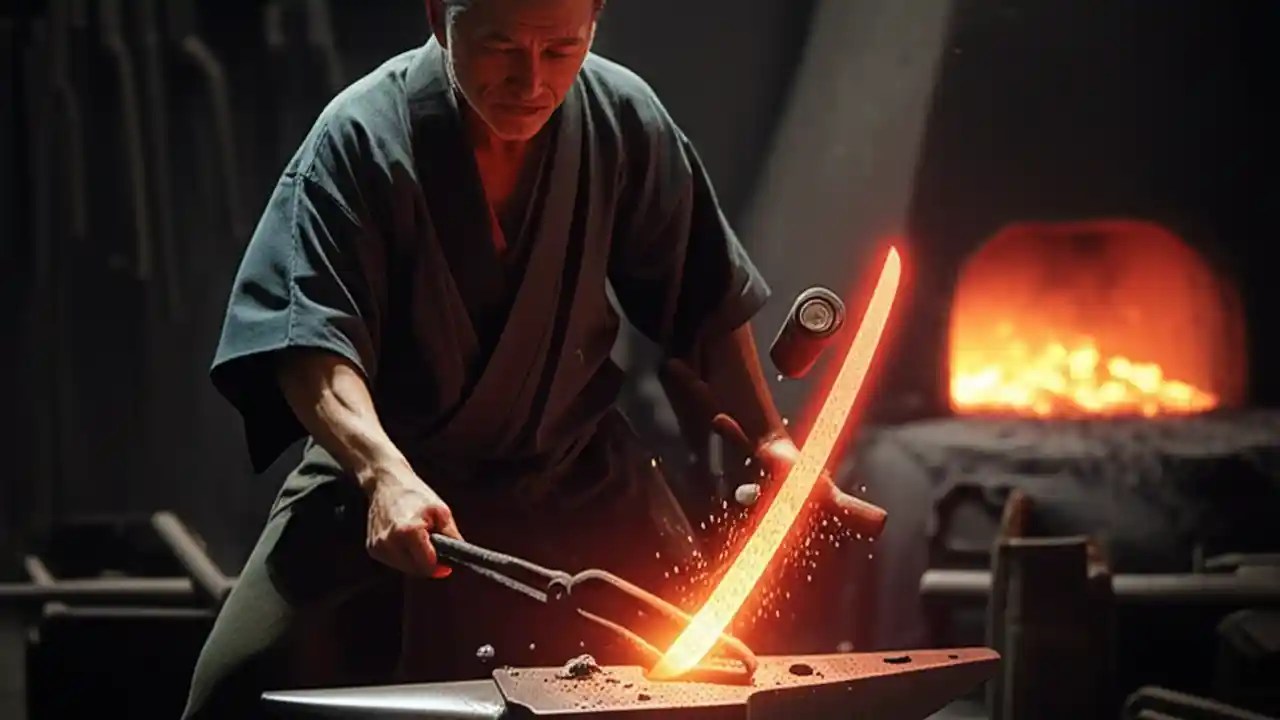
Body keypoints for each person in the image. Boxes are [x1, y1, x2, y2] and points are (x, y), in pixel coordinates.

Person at [181, 0, 866, 716]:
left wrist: (769, 438)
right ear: (440, 17)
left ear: (593, 24)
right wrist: (383, 474)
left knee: (708, 674)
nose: (531, 81)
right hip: (391, 472)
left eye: (560, 51)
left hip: (572, 474)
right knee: (236, 686)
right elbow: (313, 342)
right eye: (501, 48)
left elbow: (702, 302)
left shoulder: (621, 117)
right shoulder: (360, 135)